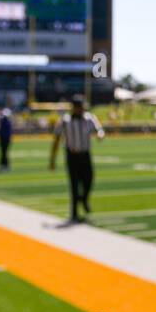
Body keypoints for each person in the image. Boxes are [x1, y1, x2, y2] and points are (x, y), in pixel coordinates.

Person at [49, 94, 104, 222]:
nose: (80, 109)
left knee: (89, 179)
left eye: (81, 106)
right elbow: (56, 139)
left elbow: (99, 129)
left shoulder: (89, 118)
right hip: (72, 155)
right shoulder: (65, 120)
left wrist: (100, 135)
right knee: (73, 184)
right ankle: (74, 213)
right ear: (73, 107)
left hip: (85, 155)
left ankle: (84, 199)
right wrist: (52, 159)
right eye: (78, 106)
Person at [0, 107, 13, 172]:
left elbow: (4, 132)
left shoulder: (4, 121)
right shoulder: (5, 120)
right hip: (5, 139)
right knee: (4, 153)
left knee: (4, 153)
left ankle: (5, 166)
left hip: (4, 139)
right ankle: (3, 165)